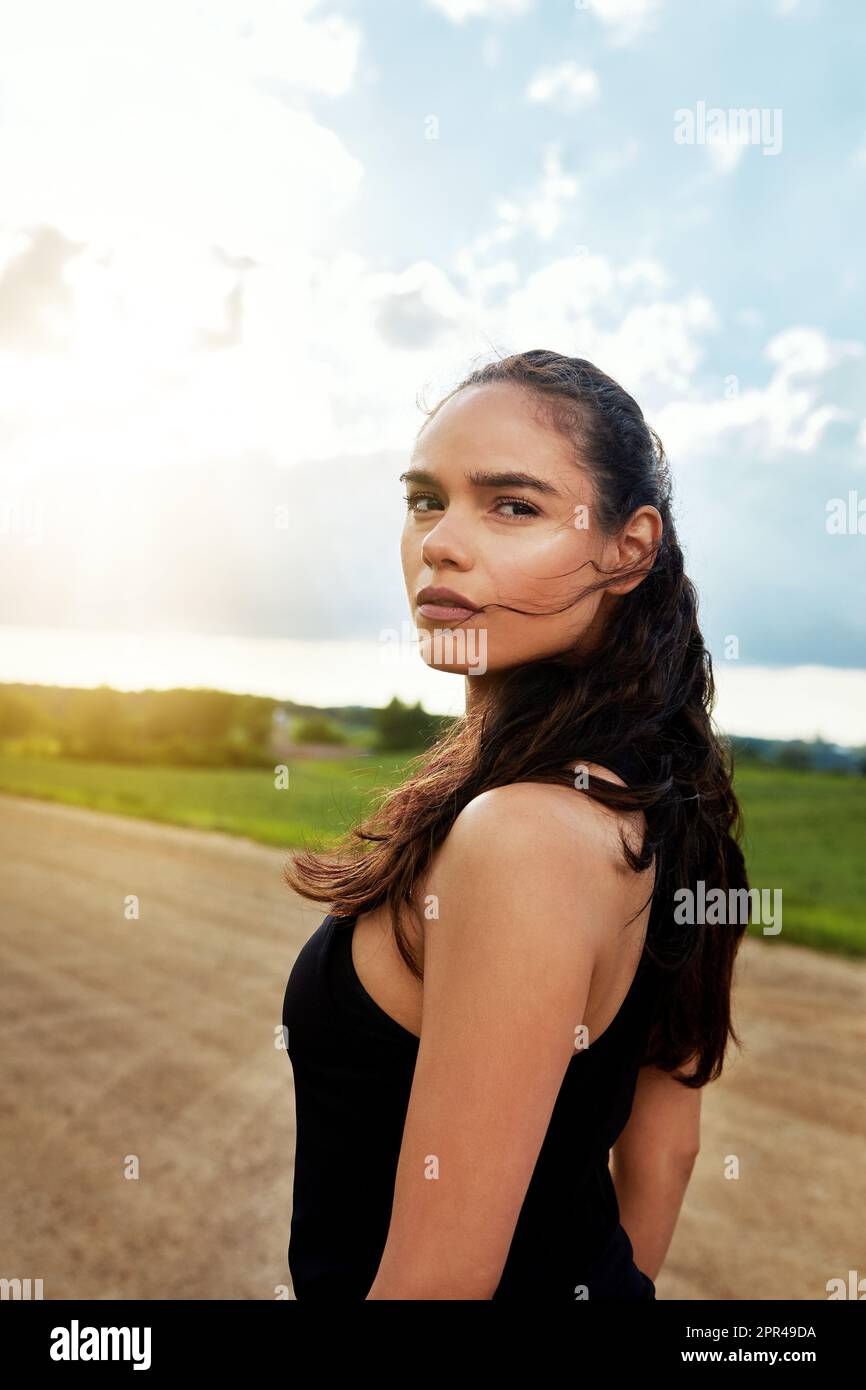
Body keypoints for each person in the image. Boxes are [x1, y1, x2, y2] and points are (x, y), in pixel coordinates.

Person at [281, 349, 749, 1300]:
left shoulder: (522, 835)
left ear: (630, 547)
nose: (442, 543)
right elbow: (666, 1155)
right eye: (425, 500)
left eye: (513, 506)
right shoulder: (666, 810)